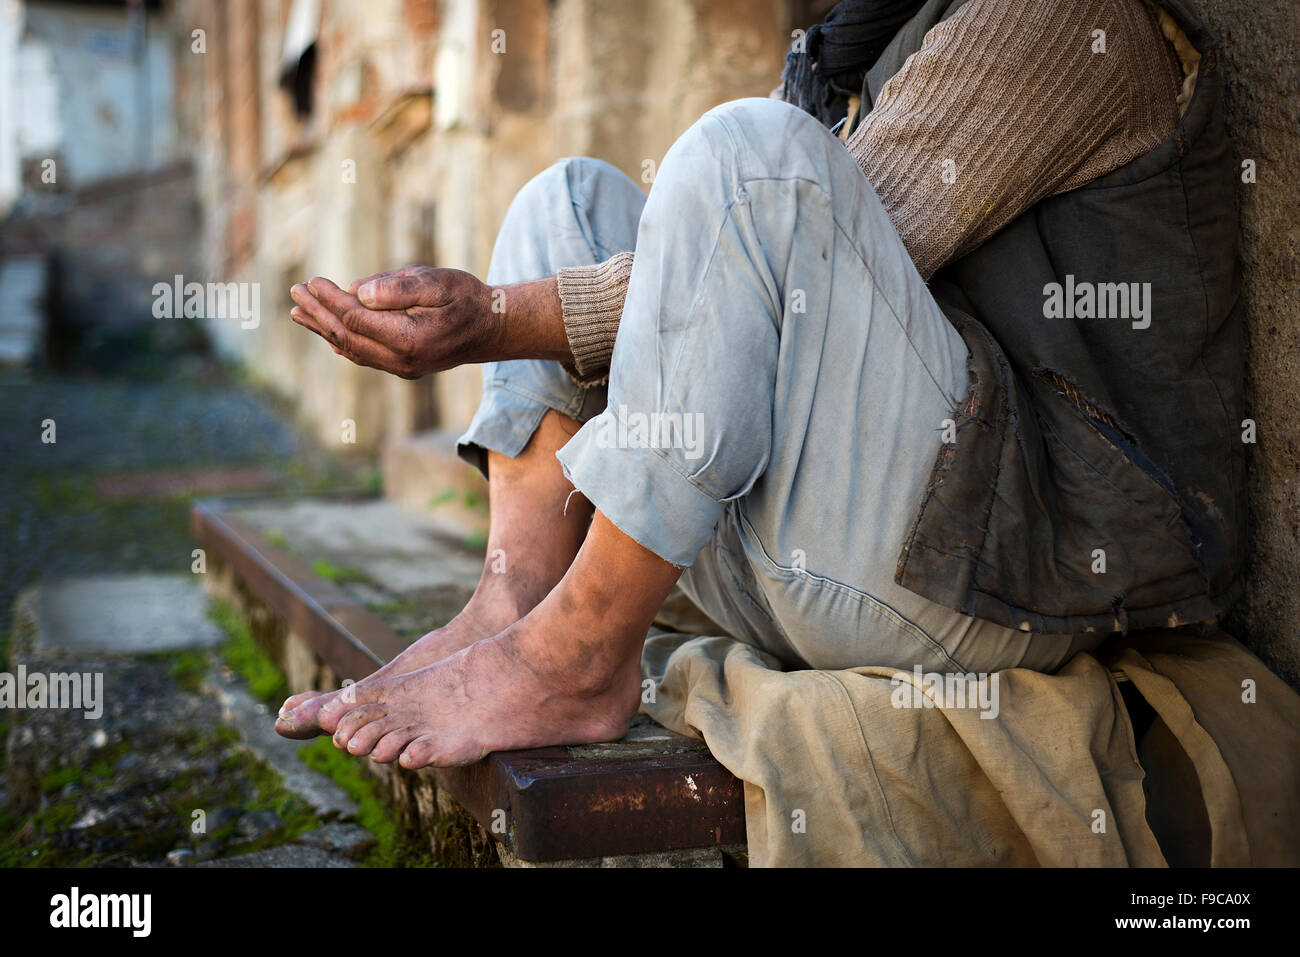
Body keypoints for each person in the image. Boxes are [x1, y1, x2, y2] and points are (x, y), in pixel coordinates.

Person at [274, 0, 1243, 773]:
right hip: (791, 567)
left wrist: (490, 317)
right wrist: (503, 311)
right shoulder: (859, 45)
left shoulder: (1059, 21)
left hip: (995, 590)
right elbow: (720, 282)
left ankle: (578, 652)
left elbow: (786, 234)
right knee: (568, 199)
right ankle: (516, 603)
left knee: (747, 154)